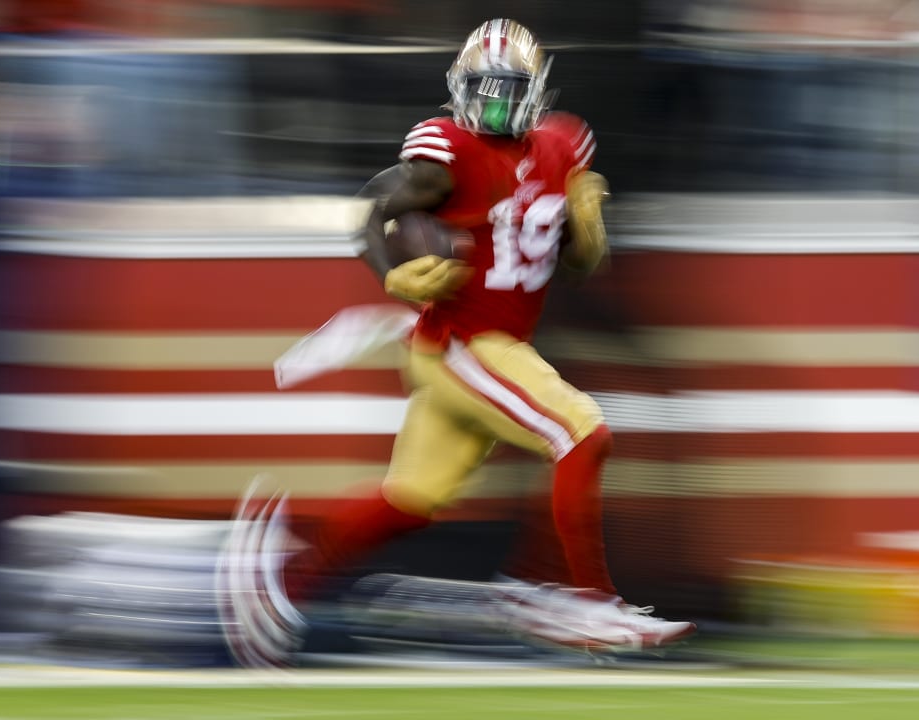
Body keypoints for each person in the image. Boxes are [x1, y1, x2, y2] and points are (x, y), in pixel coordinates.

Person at [232, 18, 695, 663]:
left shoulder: (563, 144)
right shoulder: (447, 151)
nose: (496, 102)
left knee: (410, 500)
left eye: (508, 89)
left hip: (486, 348)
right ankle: (582, 598)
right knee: (582, 434)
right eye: (485, 88)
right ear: (461, 86)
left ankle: (281, 582)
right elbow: (373, 209)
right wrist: (390, 269)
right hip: (465, 344)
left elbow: (580, 262)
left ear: (533, 90)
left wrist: (588, 228)